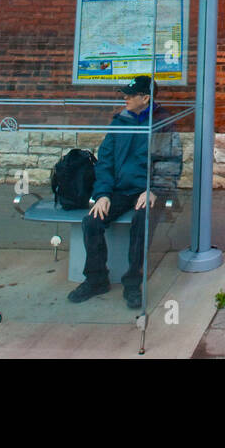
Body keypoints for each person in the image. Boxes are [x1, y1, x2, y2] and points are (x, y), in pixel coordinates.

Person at [67, 74, 176, 308]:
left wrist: (154, 189)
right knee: (92, 221)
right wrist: (103, 194)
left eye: (130, 94)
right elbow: (105, 161)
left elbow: (169, 160)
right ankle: (96, 279)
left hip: (148, 191)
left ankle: (133, 284)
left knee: (141, 221)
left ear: (145, 98)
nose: (125, 98)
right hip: (119, 190)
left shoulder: (162, 122)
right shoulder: (120, 121)